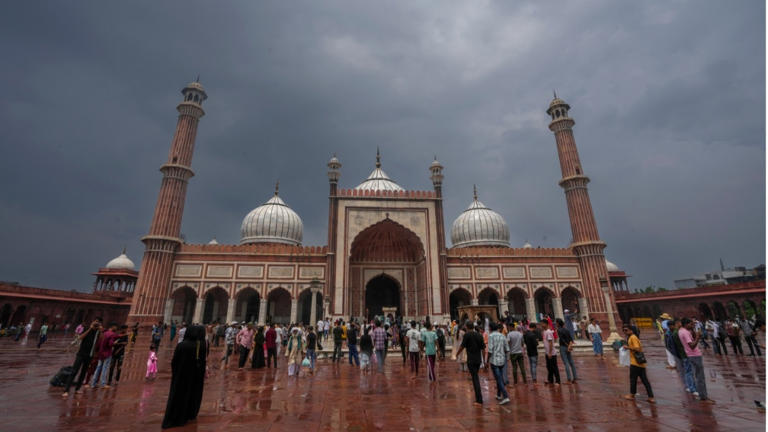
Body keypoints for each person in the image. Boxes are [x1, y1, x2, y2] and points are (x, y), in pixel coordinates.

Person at [162, 325, 207, 429]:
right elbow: (203, 362)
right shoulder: (201, 346)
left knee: (178, 396)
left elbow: (174, 362)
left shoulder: (182, 345)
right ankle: (189, 414)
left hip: (181, 376)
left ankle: (176, 418)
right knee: (192, 395)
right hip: (195, 376)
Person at [62, 320, 101, 397]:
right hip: (81, 354)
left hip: (89, 356)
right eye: (95, 324)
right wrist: (90, 328)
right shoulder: (87, 329)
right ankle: (66, 390)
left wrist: (100, 330)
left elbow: (100, 340)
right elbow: (80, 338)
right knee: (74, 371)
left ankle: (77, 389)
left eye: (97, 324)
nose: (96, 325)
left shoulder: (97, 333)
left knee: (83, 373)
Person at [679, 318, 714, 403]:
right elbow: (692, 346)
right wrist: (698, 337)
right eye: (691, 324)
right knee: (700, 377)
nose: (692, 325)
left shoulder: (682, 331)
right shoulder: (685, 333)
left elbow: (692, 338)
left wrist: (693, 330)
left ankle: (702, 395)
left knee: (698, 376)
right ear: (686, 324)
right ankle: (703, 397)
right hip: (694, 355)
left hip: (691, 355)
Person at [454, 323, 486, 405]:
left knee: (475, 379)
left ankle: (479, 400)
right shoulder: (479, 335)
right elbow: (483, 349)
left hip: (471, 360)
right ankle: (478, 398)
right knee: (475, 377)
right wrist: (484, 361)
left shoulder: (467, 335)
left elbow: (462, 346)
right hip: (478, 360)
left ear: (467, 327)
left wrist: (457, 354)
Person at [623, 325, 655, 403]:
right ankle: (651, 397)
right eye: (624, 330)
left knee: (633, 379)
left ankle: (632, 394)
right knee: (645, 380)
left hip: (635, 362)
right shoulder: (633, 337)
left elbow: (637, 348)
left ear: (631, 330)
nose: (625, 332)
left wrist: (627, 347)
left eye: (626, 330)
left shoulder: (633, 337)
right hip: (640, 363)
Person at [487, 323, 510, 404]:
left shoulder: (491, 336)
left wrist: (487, 361)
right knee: (499, 377)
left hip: (494, 360)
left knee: (499, 379)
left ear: (490, 328)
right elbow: (507, 349)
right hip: (502, 360)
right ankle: (499, 395)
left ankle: (505, 396)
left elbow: (490, 350)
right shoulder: (502, 336)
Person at [91, 323, 118, 388]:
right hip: (107, 353)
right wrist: (115, 343)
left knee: (98, 368)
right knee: (105, 368)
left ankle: (93, 383)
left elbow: (98, 344)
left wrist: (97, 352)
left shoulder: (104, 334)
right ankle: (103, 383)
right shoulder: (112, 334)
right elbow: (110, 344)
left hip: (101, 353)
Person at [556, 318, 577, 383]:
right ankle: (575, 377)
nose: (556, 324)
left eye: (556, 323)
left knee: (566, 363)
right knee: (571, 362)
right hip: (568, 346)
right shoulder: (566, 329)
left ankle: (569, 379)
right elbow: (571, 339)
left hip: (563, 347)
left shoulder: (559, 330)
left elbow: (562, 339)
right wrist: (570, 345)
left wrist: (567, 345)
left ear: (558, 323)